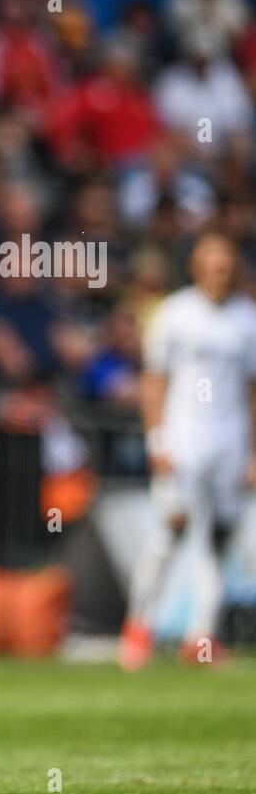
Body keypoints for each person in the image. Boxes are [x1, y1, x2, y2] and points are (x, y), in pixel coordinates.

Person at [120, 231, 256, 670]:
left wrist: (252, 452)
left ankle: (200, 638)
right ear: (197, 267)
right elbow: (154, 381)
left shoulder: (247, 319)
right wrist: (157, 440)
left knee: (218, 540)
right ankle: (139, 628)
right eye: (211, 262)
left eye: (226, 262)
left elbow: (252, 392)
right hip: (183, 439)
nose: (219, 270)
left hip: (229, 444)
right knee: (169, 533)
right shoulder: (175, 315)